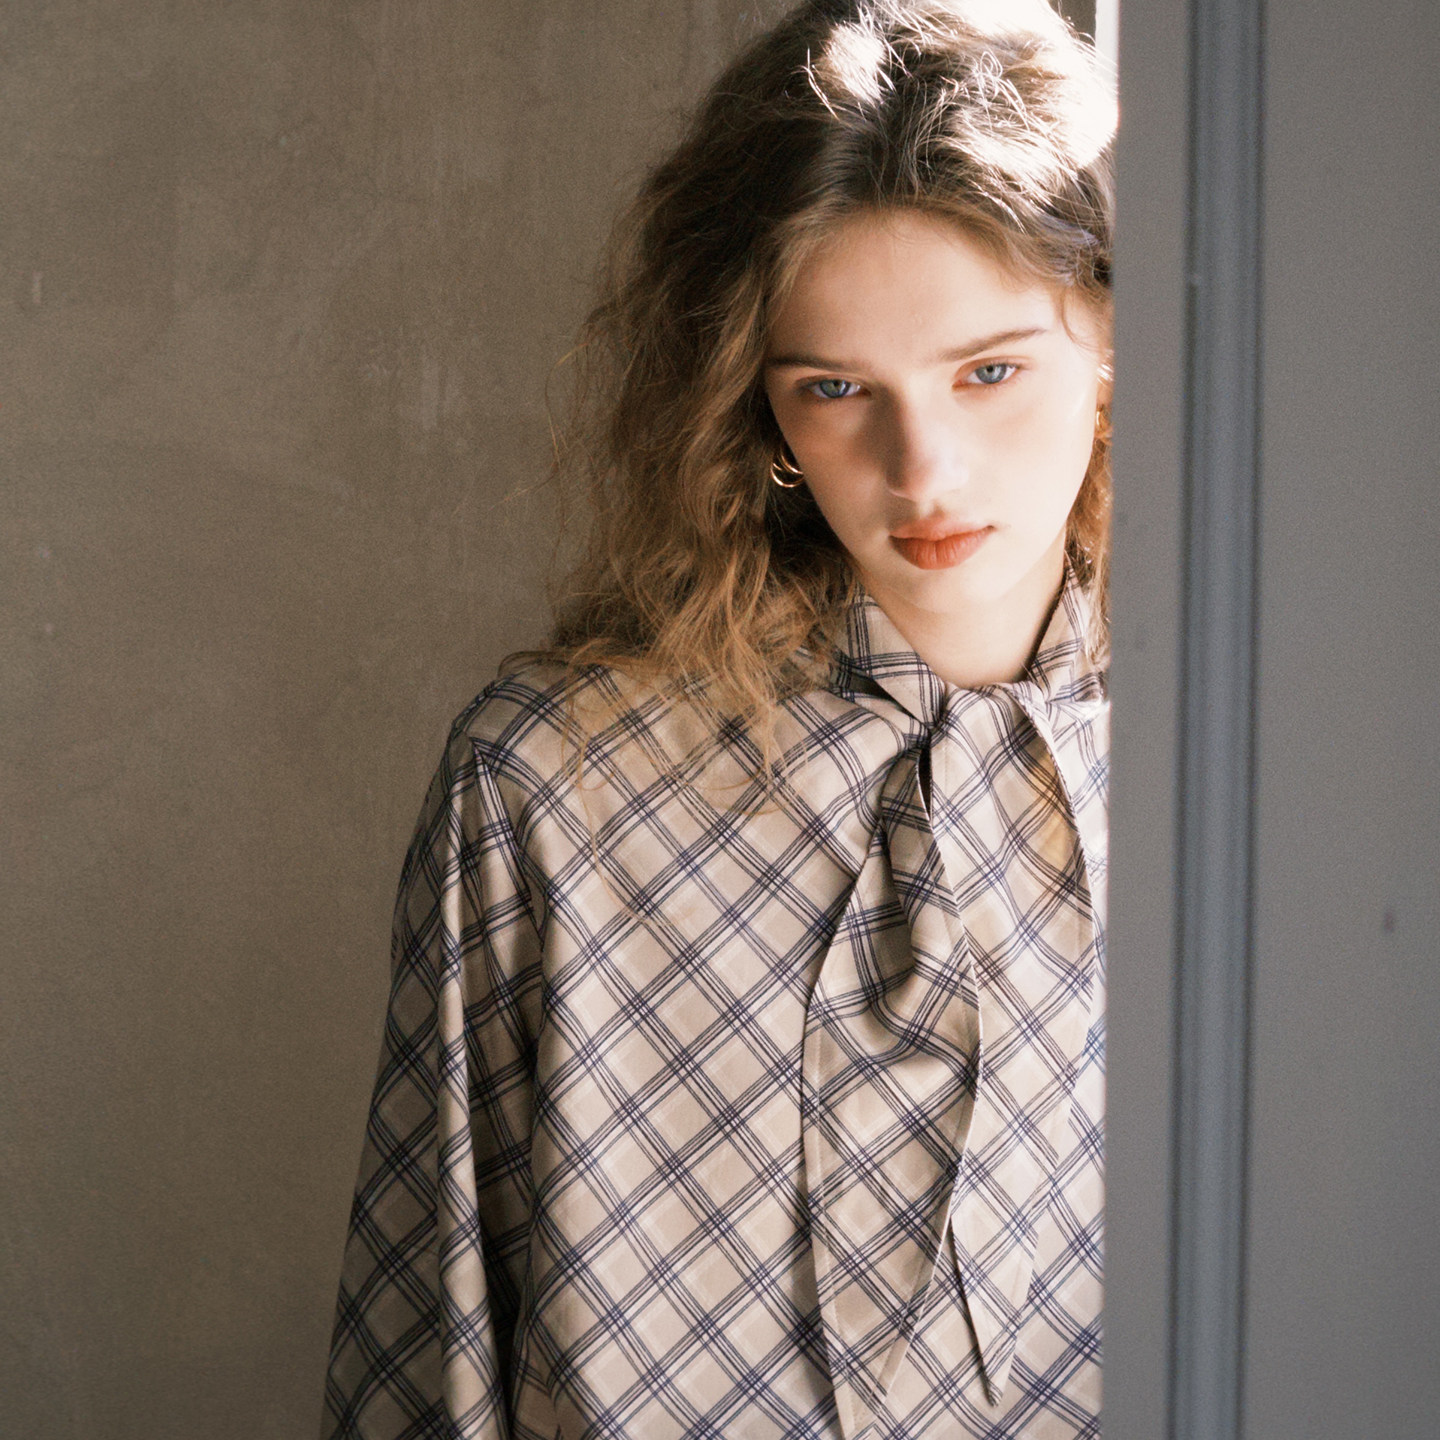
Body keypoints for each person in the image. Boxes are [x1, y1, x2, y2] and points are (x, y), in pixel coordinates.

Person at [321, 1, 1115, 1435]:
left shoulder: (1244, 775)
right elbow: (426, 1344)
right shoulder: (550, 788)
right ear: (757, 407)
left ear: (1109, 338)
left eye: (990, 370)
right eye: (836, 389)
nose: (923, 470)